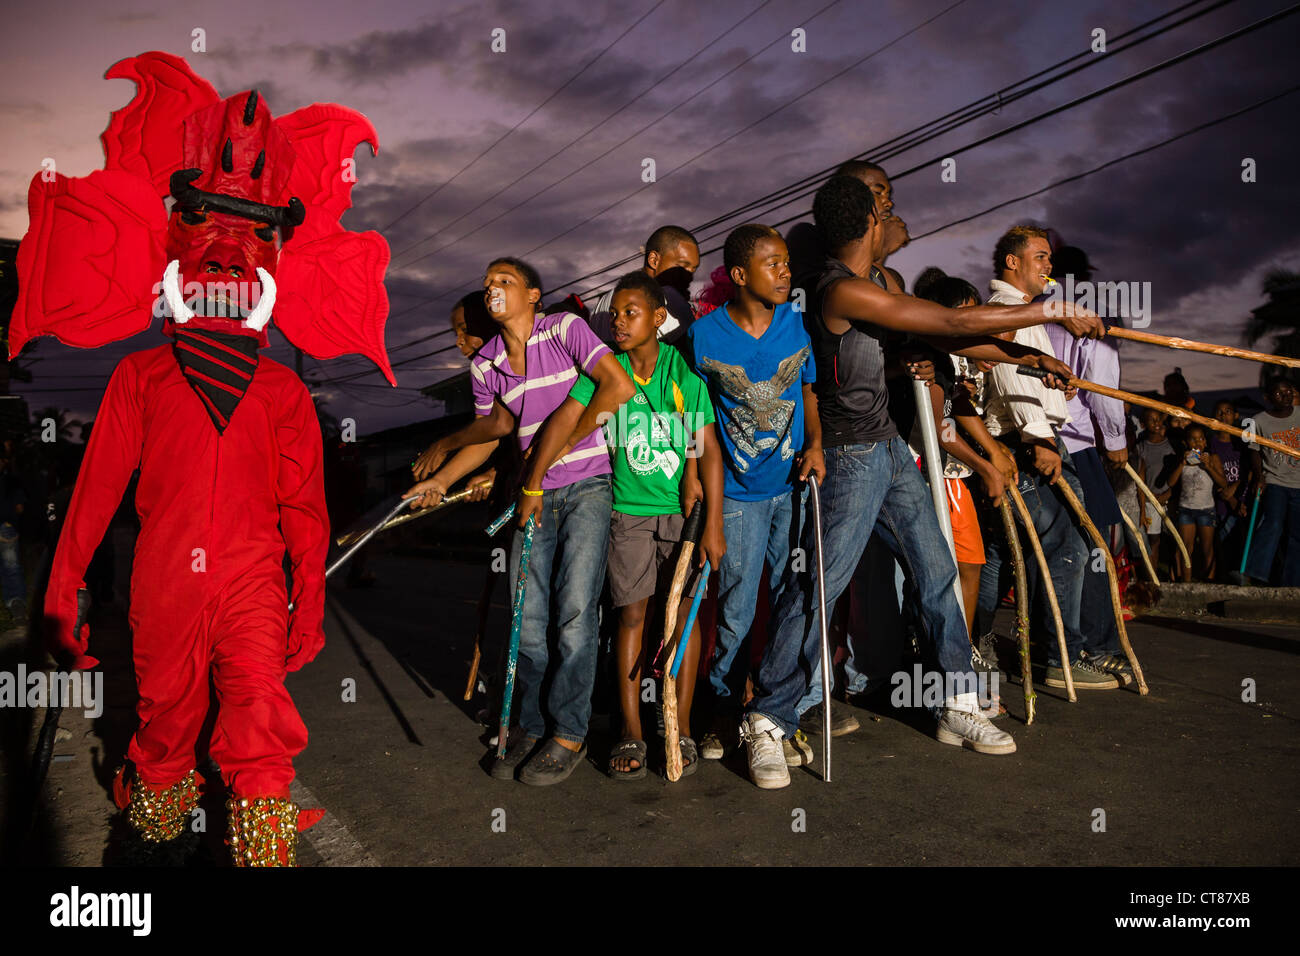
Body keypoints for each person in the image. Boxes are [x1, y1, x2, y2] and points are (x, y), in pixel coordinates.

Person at [750, 177, 1101, 788]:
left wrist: (1027, 357)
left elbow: (940, 334)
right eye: (881, 203)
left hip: (889, 447)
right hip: (848, 454)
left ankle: (955, 703)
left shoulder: (880, 283)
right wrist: (1048, 309)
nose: (892, 207)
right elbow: (943, 316)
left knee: (937, 573)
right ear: (864, 218)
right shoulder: (837, 288)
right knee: (821, 586)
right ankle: (767, 719)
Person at [406, 258, 634, 785]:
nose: (492, 290)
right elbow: (497, 428)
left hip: (586, 486)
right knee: (527, 620)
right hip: (531, 496)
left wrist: (563, 449)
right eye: (487, 284)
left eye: (504, 282)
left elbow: (615, 388)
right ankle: (530, 726)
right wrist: (441, 480)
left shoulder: (564, 329)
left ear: (533, 294)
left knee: (575, 613)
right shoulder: (486, 362)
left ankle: (569, 732)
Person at [561, 271, 726, 778]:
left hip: (682, 516)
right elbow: (575, 429)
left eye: (632, 312)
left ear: (659, 318)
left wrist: (712, 524)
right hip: (627, 514)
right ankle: (631, 730)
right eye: (615, 312)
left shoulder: (684, 379)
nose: (619, 321)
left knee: (680, 618)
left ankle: (678, 726)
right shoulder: (604, 377)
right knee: (631, 618)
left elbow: (708, 452)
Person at [679, 223, 822, 788]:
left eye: (787, 263)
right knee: (737, 610)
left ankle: (775, 716)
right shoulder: (704, 337)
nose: (785, 272)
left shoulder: (797, 325)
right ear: (739, 275)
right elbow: (692, 410)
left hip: (791, 485)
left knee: (793, 601)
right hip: (736, 493)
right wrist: (694, 473)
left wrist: (815, 444)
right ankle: (724, 715)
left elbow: (809, 391)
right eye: (773, 264)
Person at [976, 225, 1118, 691]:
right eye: (1039, 257)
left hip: (1038, 437)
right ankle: (1062, 656)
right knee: (1066, 547)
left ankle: (1007, 646)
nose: (1048, 266)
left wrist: (1057, 395)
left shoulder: (1028, 313)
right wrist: (1039, 436)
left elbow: (1030, 372)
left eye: (1049, 258)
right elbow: (1014, 379)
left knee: (1015, 551)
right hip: (1028, 442)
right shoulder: (1004, 310)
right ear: (1012, 262)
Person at [588, 226, 700, 346]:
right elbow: (693, 352)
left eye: (693, 270)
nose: (689, 277)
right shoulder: (668, 297)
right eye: (682, 266)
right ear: (654, 260)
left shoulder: (604, 301)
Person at [1242, 377, 1300, 586]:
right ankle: (1255, 572)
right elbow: (1254, 452)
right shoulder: (1257, 421)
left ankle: (1292, 583)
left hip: (1298, 483)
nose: (1286, 396)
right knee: (1273, 523)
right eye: (1279, 393)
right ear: (1268, 397)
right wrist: (1259, 477)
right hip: (1275, 480)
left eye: (1288, 392)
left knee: (1297, 533)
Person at [1167, 425, 1229, 581]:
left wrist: (1208, 466)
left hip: (1206, 510)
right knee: (1186, 548)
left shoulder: (1212, 459)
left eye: (1201, 438)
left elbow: (1223, 483)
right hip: (1186, 509)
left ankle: (1209, 583)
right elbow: (1170, 482)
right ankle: (1187, 584)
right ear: (1186, 442)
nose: (1197, 442)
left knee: (1207, 548)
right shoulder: (1183, 460)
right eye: (1193, 439)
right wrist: (1182, 464)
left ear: (1206, 442)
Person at [1136, 409, 1177, 564]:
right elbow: (1140, 480)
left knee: (1174, 539)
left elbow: (1178, 474)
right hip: (1149, 502)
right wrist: (1147, 500)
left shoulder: (1171, 446)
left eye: (1159, 419)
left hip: (1169, 499)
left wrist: (1168, 494)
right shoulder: (1141, 448)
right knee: (1153, 541)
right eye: (1152, 420)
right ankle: (1152, 579)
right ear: (1143, 424)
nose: (1157, 423)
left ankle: (1177, 579)